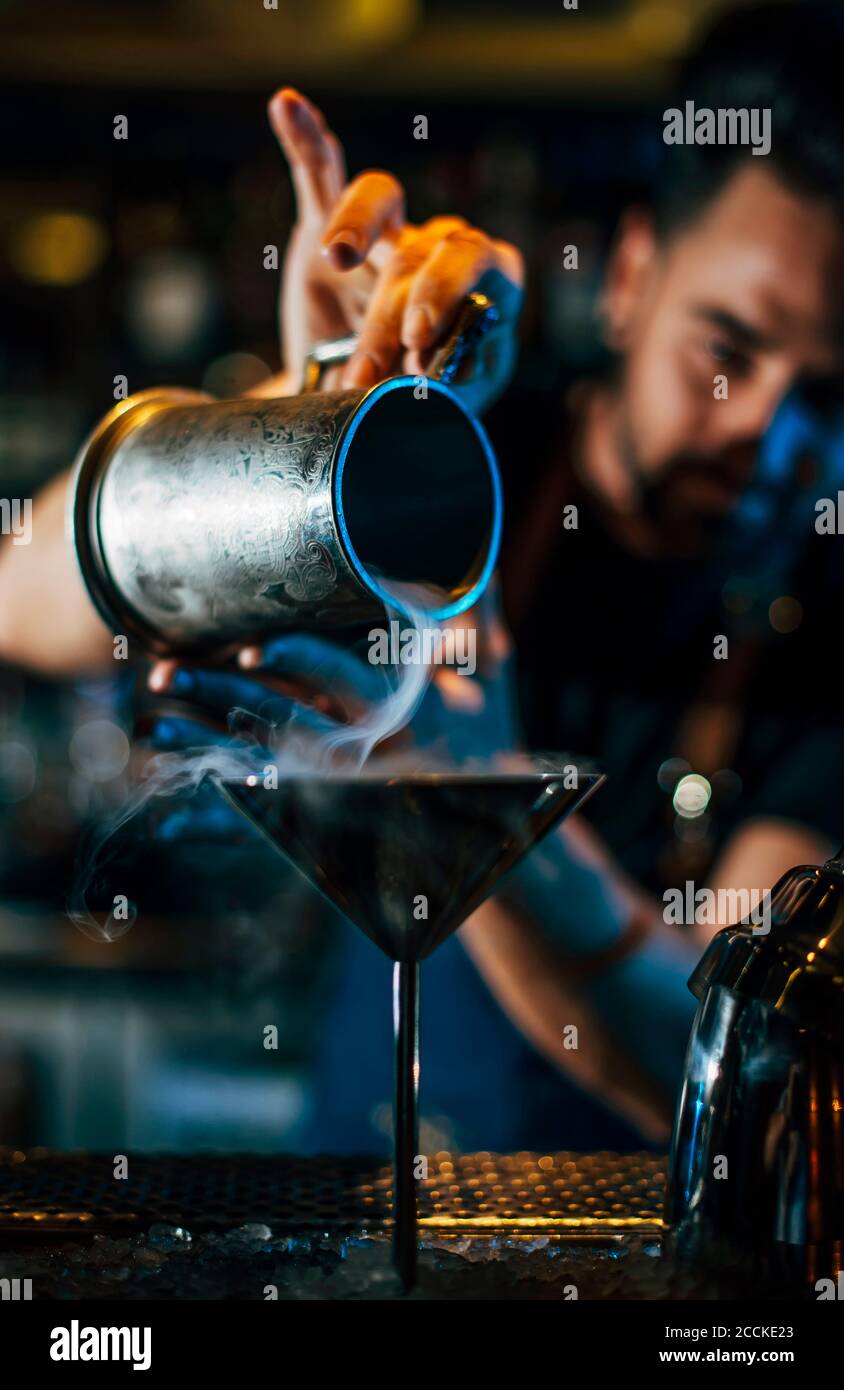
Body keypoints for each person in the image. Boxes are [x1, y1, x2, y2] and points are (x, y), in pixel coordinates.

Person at [2, 2, 843, 1150]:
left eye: (829, 393)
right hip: (354, 1212)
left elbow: (749, 1077)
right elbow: (22, 600)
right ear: (631, 275)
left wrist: (486, 804)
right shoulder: (460, 462)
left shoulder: (825, 627)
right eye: (727, 350)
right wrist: (301, 435)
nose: (766, 427)